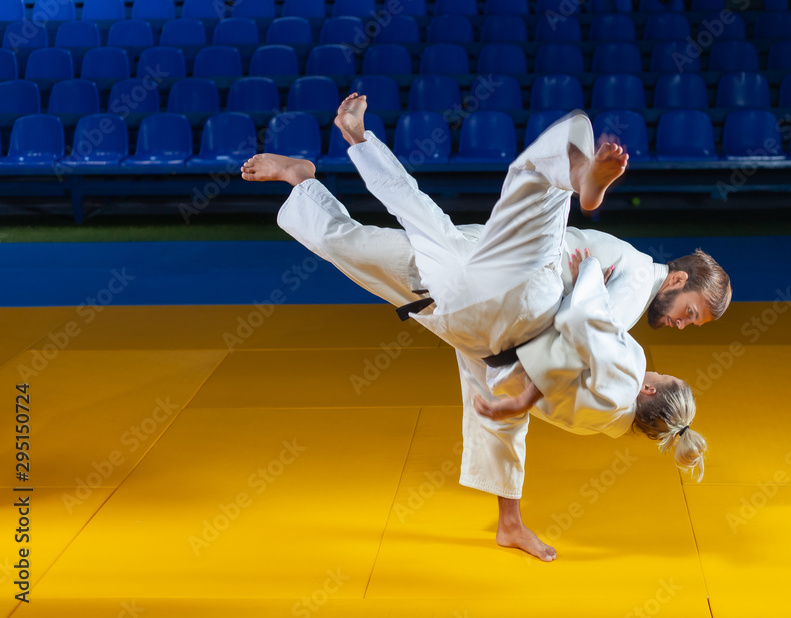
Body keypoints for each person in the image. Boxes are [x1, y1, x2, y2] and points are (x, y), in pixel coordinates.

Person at [241, 94, 730, 561]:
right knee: (400, 234)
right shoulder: (639, 283)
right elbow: (579, 336)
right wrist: (523, 397)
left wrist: (528, 387)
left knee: (401, 229)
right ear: (678, 279)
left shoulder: (625, 364)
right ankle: (328, 161)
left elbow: (578, 334)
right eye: (690, 312)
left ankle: (330, 161)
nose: (680, 325)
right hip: (511, 290)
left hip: (500, 297)